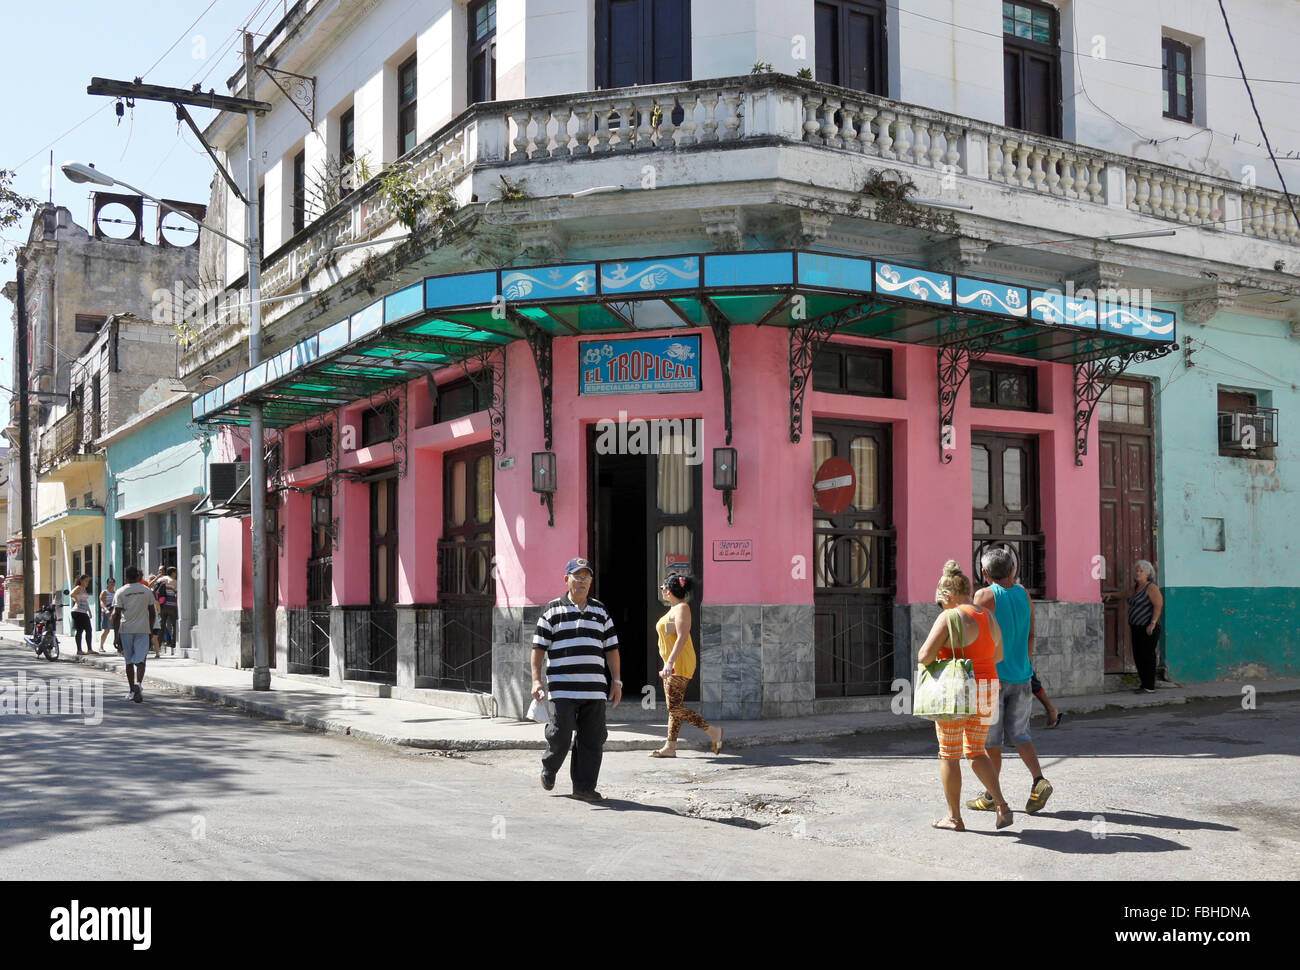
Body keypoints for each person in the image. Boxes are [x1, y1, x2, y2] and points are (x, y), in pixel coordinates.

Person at [918, 561, 1014, 831]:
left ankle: (954, 817)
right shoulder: (988, 616)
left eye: (941, 602)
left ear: (948, 596)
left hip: (956, 690)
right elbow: (998, 655)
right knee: (976, 751)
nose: (942, 607)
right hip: (987, 686)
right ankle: (1001, 805)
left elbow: (924, 656)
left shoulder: (950, 617)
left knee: (949, 754)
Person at [968, 547, 1053, 815]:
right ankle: (1039, 780)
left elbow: (973, 635)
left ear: (984, 573)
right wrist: (1024, 663)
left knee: (990, 742)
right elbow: (1031, 634)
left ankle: (993, 796)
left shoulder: (983, 596)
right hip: (1022, 675)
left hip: (992, 678)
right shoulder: (1023, 593)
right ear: (1013, 570)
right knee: (1020, 734)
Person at [531, 557, 622, 802]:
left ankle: (584, 787)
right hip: (563, 689)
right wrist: (536, 681)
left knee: (592, 739)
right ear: (566, 579)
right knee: (561, 732)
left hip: (594, 690)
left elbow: (611, 648)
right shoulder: (552, 611)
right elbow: (538, 648)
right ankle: (550, 767)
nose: (582, 581)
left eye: (587, 576)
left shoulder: (600, 611)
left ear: (591, 581)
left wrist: (617, 681)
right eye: (577, 576)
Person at [651, 574, 723, 758]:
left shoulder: (682, 608)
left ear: (669, 590)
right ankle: (670, 747)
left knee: (674, 707)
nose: (661, 590)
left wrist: (670, 662)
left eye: (663, 587)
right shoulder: (674, 609)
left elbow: (682, 638)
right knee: (675, 706)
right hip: (674, 663)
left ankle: (713, 731)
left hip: (679, 664)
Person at [1106, 560, 1164, 693]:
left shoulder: (1151, 588)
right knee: (1138, 656)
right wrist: (1111, 595)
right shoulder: (1136, 587)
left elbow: (1158, 605)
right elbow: (1124, 594)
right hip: (1136, 627)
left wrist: (1152, 623)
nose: (1138, 573)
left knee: (1147, 656)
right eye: (1136, 571)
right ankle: (1144, 684)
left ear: (1148, 574)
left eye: (1141, 571)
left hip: (1148, 627)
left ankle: (1149, 686)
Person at [113, 565, 156, 704]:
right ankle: (138, 683)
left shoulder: (120, 592)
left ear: (126, 577)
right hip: (143, 629)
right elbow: (152, 612)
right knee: (141, 660)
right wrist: (150, 629)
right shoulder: (146, 590)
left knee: (129, 661)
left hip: (126, 630)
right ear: (138, 576)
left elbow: (116, 615)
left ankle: (132, 690)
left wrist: (116, 636)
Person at [70, 574, 94, 656]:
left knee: (89, 629)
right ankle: (79, 650)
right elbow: (71, 594)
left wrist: (89, 612)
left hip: (84, 612)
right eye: (86, 581)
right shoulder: (79, 588)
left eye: (88, 581)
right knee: (79, 630)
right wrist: (77, 602)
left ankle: (89, 649)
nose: (87, 582)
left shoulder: (84, 589)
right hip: (77, 612)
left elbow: (86, 602)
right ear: (81, 581)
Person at [98, 578, 116, 653]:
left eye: (112, 582)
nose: (111, 584)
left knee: (117, 629)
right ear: (107, 583)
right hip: (107, 612)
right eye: (109, 582)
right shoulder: (105, 592)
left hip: (114, 612)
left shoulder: (116, 592)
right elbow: (101, 602)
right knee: (106, 630)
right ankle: (101, 646)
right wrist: (106, 610)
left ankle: (117, 645)